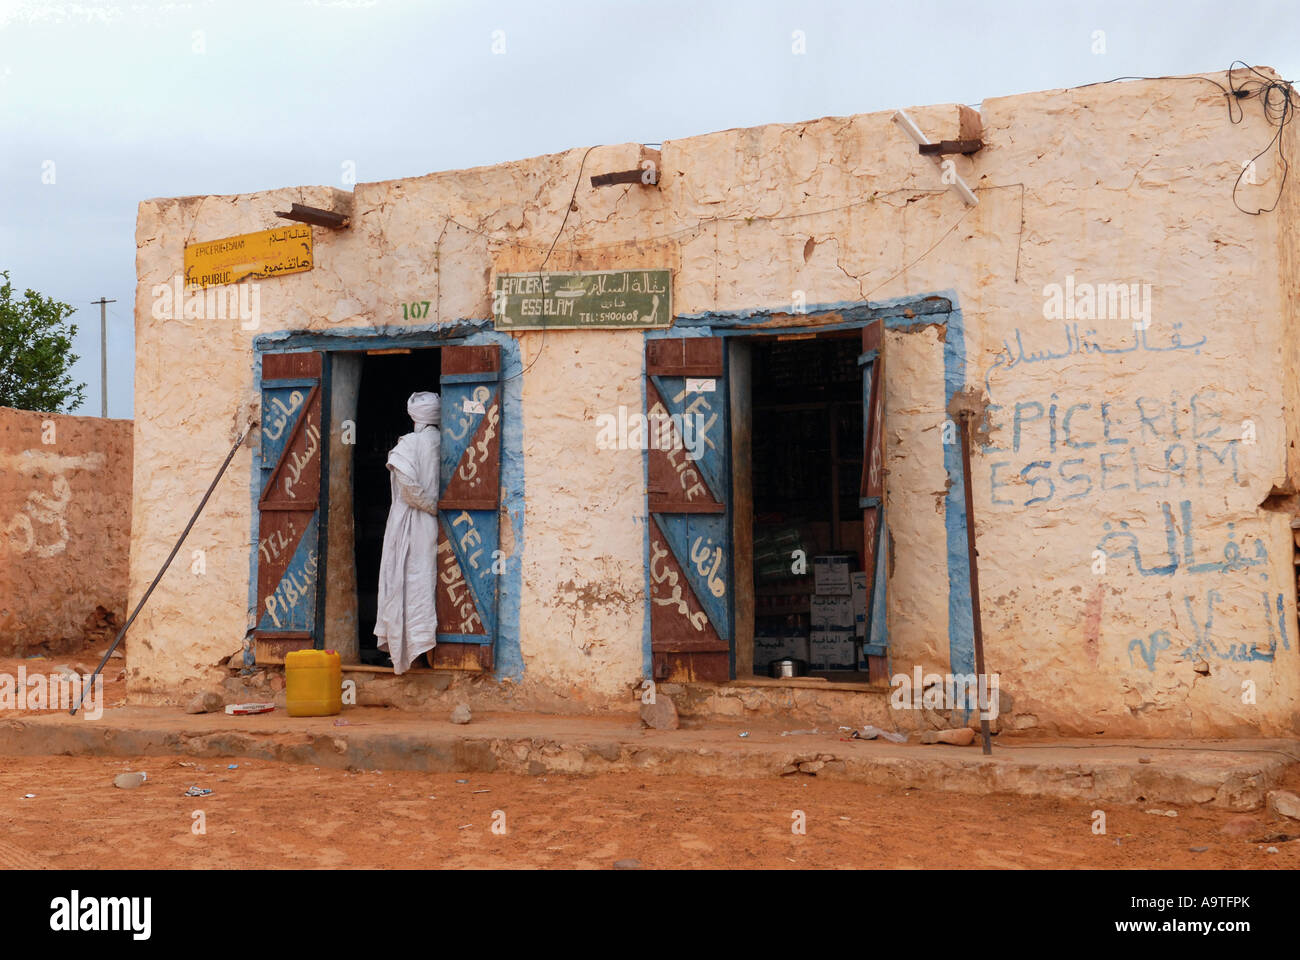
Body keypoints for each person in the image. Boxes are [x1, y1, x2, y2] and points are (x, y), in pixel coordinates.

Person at [375, 391, 441, 674]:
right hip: (429, 523)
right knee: (424, 583)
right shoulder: (444, 441)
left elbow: (408, 487)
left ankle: (415, 652)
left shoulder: (410, 443)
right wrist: (436, 508)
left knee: (407, 583)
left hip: (410, 522)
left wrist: (428, 505)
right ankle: (423, 651)